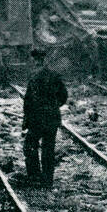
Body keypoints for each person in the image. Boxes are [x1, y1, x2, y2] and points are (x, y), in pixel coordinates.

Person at [22, 46, 68, 187]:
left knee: (30, 145)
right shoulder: (54, 75)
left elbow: (28, 101)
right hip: (52, 118)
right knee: (48, 149)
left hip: (37, 118)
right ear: (45, 60)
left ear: (35, 60)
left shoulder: (33, 77)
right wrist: (53, 107)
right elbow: (63, 96)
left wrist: (27, 119)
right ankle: (48, 180)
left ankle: (34, 176)